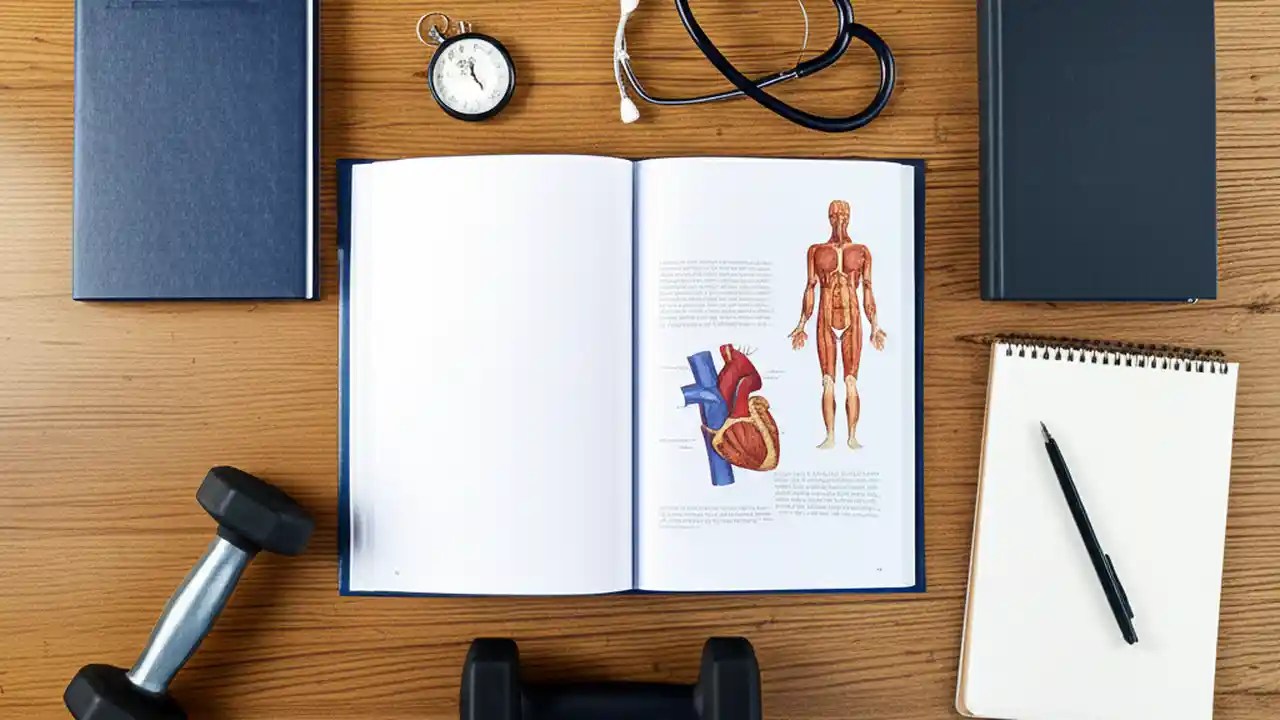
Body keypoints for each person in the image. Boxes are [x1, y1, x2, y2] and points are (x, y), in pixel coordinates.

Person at [788, 200, 886, 449]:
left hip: (853, 318)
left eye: (843, 215)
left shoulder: (862, 251)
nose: (839, 219)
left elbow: (868, 288)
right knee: (828, 380)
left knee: (851, 380)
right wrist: (801, 324)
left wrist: (874, 325)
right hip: (826, 318)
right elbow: (810, 286)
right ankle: (830, 436)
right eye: (834, 215)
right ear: (828, 217)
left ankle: (852, 436)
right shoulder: (816, 251)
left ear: (850, 216)